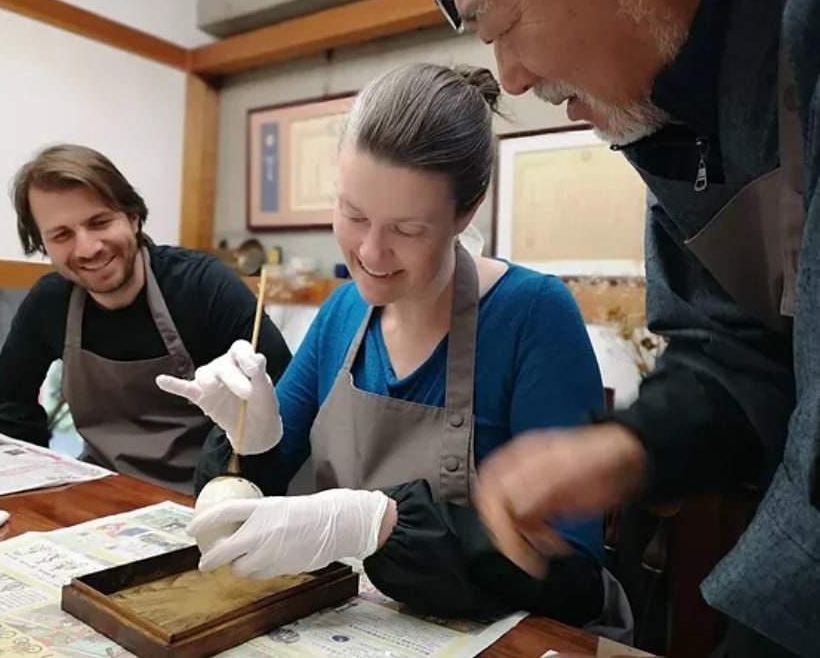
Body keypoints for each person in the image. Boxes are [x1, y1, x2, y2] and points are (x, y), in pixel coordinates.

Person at [433, 0, 819, 655]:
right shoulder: (669, 116)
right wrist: (628, 446)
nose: (510, 77)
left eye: (504, 21)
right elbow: (730, 351)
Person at [157, 63, 610, 625]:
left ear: (464, 212)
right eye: (353, 214)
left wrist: (381, 524)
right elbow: (255, 497)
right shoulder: (343, 313)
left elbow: (573, 575)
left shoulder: (532, 316)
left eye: (408, 230)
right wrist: (247, 440)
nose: (370, 253)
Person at [0, 144, 291, 494]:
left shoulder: (204, 287)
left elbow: (284, 393)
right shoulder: (48, 303)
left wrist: (222, 491)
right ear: (43, 244)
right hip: (102, 498)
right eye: (62, 235)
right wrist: (33, 494)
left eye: (99, 222)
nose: (87, 248)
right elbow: (11, 414)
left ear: (132, 217)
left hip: (206, 499)